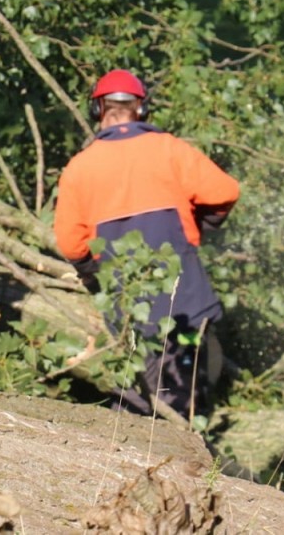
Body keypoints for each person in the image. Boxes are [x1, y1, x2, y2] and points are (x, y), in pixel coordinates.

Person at [52, 69, 239, 418]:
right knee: (181, 395)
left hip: (124, 303)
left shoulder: (79, 168)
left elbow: (70, 243)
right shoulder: (168, 149)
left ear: (98, 110)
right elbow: (226, 191)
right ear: (142, 108)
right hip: (184, 300)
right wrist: (197, 226)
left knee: (135, 383)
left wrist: (93, 272)